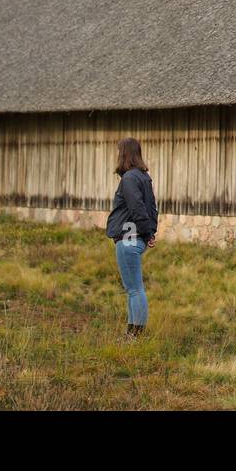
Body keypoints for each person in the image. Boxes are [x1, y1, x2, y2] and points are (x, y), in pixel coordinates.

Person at [105, 137, 158, 337]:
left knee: (135, 289)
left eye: (120, 152)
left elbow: (137, 208)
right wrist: (151, 232)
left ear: (125, 154)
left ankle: (136, 334)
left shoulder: (129, 179)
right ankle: (131, 331)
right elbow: (152, 208)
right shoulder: (145, 177)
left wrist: (146, 232)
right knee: (132, 289)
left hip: (128, 237)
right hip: (138, 237)